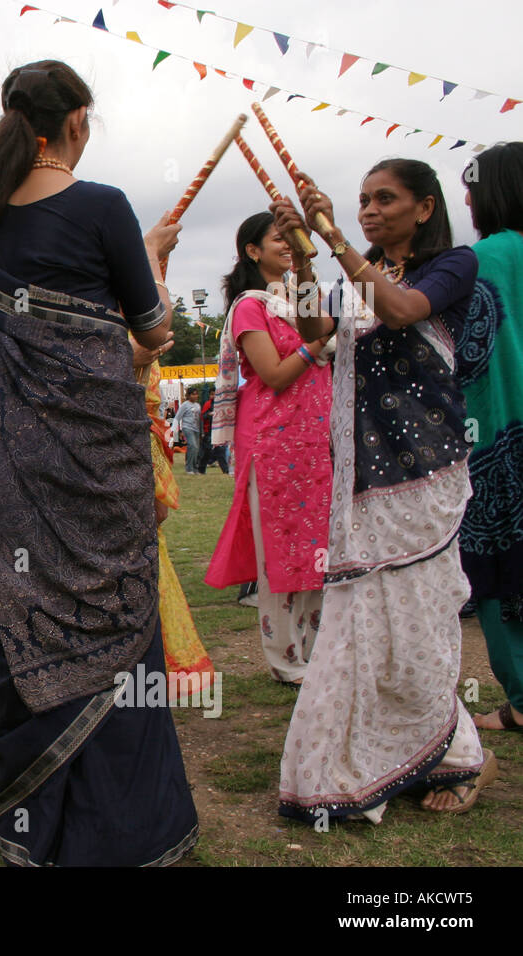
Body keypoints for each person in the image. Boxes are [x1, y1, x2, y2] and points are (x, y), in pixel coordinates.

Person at [0, 61, 197, 865]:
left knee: (22, 612)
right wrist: (150, 255)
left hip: (14, 484)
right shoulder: (102, 208)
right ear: (79, 119)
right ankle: (128, 828)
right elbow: (153, 334)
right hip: (98, 474)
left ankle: (36, 826)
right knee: (116, 618)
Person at [274, 158, 494, 820]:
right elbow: (316, 334)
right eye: (363, 199)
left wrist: (335, 238)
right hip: (363, 481)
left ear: (424, 208)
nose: (369, 209)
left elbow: (400, 313)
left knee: (421, 619)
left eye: (385, 199)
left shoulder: (451, 267)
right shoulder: (362, 273)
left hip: (423, 478)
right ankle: (368, 759)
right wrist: (305, 261)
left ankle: (456, 754)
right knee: (365, 622)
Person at [205, 212, 332, 685]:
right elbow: (274, 375)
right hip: (272, 441)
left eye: (292, 237)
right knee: (278, 552)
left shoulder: (301, 297)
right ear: (252, 251)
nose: (289, 244)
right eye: (279, 238)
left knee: (319, 549)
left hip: (317, 441)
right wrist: (318, 344)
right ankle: (285, 660)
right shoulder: (249, 307)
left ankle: (316, 654)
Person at [454, 143, 523, 734]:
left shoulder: (485, 260)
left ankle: (522, 698)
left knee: (501, 564)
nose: (468, 200)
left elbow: (475, 365)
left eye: (472, 187)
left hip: (503, 436)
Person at [136, 344, 215, 689]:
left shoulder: (133, 340)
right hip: (128, 443)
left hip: (136, 443)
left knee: (149, 542)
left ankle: (150, 665)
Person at [174, 386, 202, 474]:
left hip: (196, 429)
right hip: (187, 428)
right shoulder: (185, 405)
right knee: (192, 446)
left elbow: (200, 418)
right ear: (189, 395)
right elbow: (177, 417)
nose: (195, 396)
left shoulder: (198, 405)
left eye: (196, 394)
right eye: (193, 394)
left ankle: (194, 468)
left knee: (196, 449)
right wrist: (178, 430)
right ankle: (189, 468)